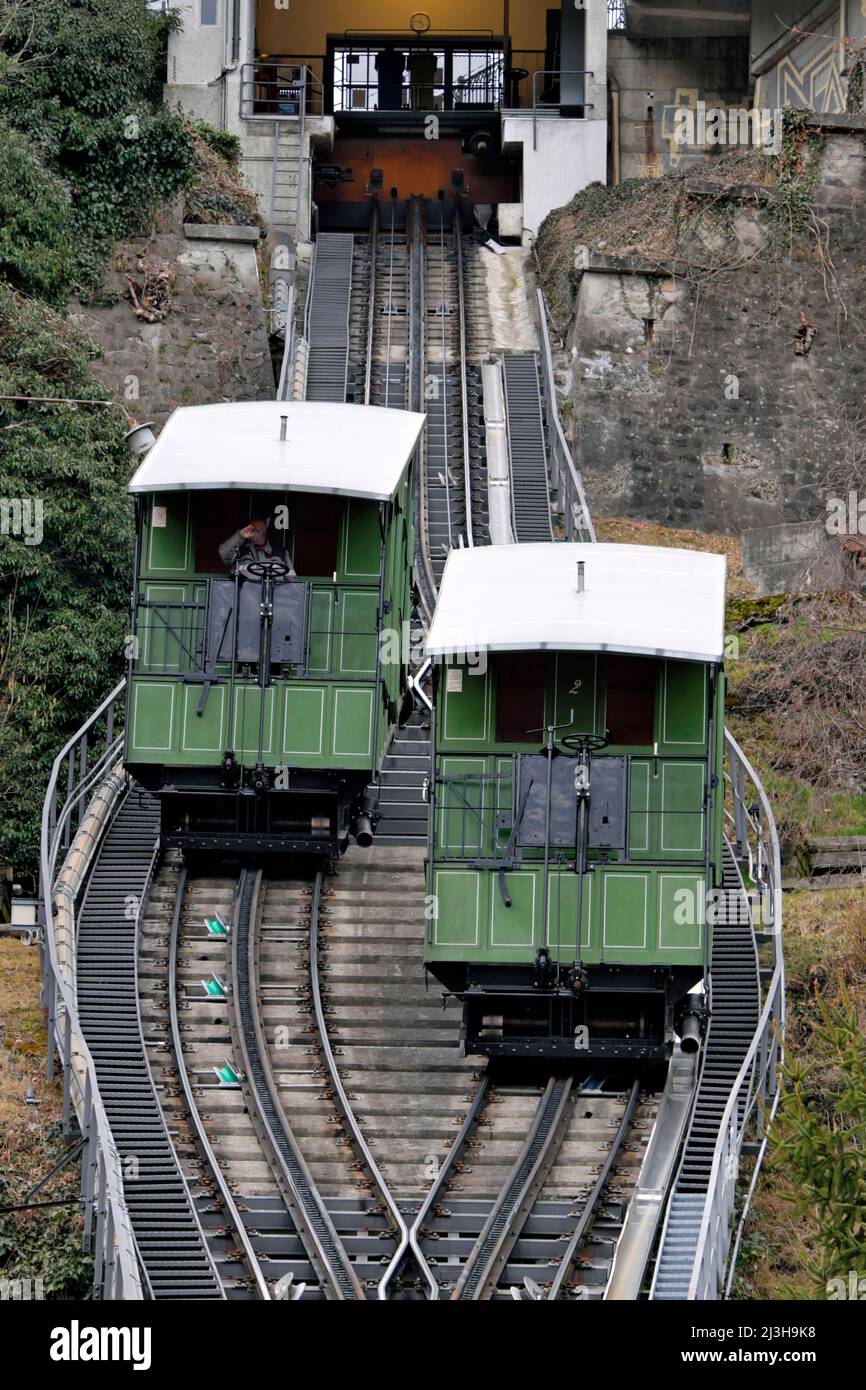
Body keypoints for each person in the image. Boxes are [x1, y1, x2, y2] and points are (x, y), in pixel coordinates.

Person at [219, 518, 295, 581]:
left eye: (259, 522)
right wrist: (240, 536)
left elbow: (292, 580)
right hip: (245, 597)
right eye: (251, 526)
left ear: (265, 528)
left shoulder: (280, 551)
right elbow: (224, 555)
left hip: (275, 597)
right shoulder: (240, 549)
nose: (253, 528)